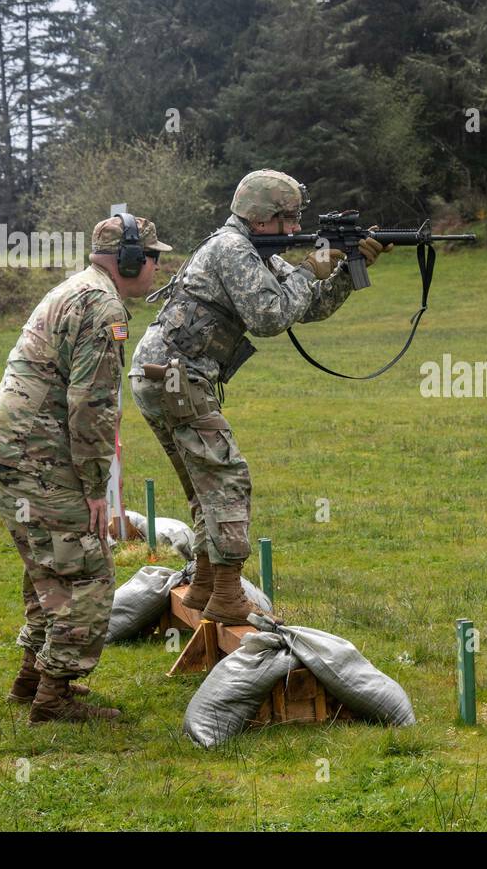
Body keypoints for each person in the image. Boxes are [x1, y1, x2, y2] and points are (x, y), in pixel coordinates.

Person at [130, 169, 391, 625]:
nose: (294, 228)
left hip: (165, 376)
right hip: (175, 377)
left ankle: (207, 588)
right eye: (287, 218)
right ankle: (229, 596)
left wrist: (350, 268)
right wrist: (312, 267)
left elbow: (306, 306)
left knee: (206, 485)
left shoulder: (253, 251)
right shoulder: (233, 250)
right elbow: (271, 315)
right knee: (229, 479)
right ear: (260, 216)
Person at [0, 214, 169, 724]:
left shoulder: (75, 288)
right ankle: (53, 699)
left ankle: (31, 679)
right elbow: (92, 403)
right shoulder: (105, 306)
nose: (156, 267)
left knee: (47, 566)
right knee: (86, 571)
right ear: (129, 259)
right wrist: (93, 485)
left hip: (9, 447)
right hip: (35, 454)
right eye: (152, 257)